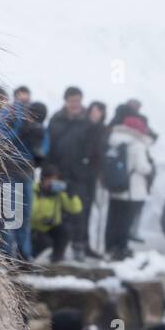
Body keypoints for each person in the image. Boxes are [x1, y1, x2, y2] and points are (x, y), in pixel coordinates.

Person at [47, 88, 97, 260]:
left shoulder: (88, 123)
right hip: (58, 173)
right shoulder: (55, 120)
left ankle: (78, 247)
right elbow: (49, 147)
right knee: (57, 211)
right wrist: (49, 171)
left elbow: (94, 148)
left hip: (79, 175)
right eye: (72, 101)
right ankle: (57, 250)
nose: (76, 104)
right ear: (66, 101)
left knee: (78, 211)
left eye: (78, 101)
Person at [0, 97, 36, 261]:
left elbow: (41, 147)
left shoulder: (32, 120)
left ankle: (21, 256)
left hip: (23, 173)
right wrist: (18, 130)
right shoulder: (5, 117)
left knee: (18, 217)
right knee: (11, 217)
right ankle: (9, 255)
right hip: (10, 173)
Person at [102, 113, 153, 260]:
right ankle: (121, 248)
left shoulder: (114, 141)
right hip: (133, 190)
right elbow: (142, 167)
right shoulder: (138, 144)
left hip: (116, 187)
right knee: (125, 222)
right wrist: (150, 167)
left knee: (113, 220)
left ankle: (110, 247)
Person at [30, 165, 82, 263]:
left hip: (50, 227)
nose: (52, 183)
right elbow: (30, 211)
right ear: (42, 179)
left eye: (55, 180)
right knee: (45, 243)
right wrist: (42, 218)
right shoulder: (33, 190)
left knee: (66, 230)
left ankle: (57, 259)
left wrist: (71, 195)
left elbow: (76, 209)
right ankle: (31, 258)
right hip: (34, 228)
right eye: (49, 180)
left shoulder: (58, 193)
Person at [84, 101, 110, 256]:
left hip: (96, 174)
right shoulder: (86, 127)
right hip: (85, 172)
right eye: (94, 110)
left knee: (93, 211)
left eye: (99, 111)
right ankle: (83, 244)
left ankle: (91, 245)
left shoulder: (103, 129)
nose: (96, 113)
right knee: (84, 211)